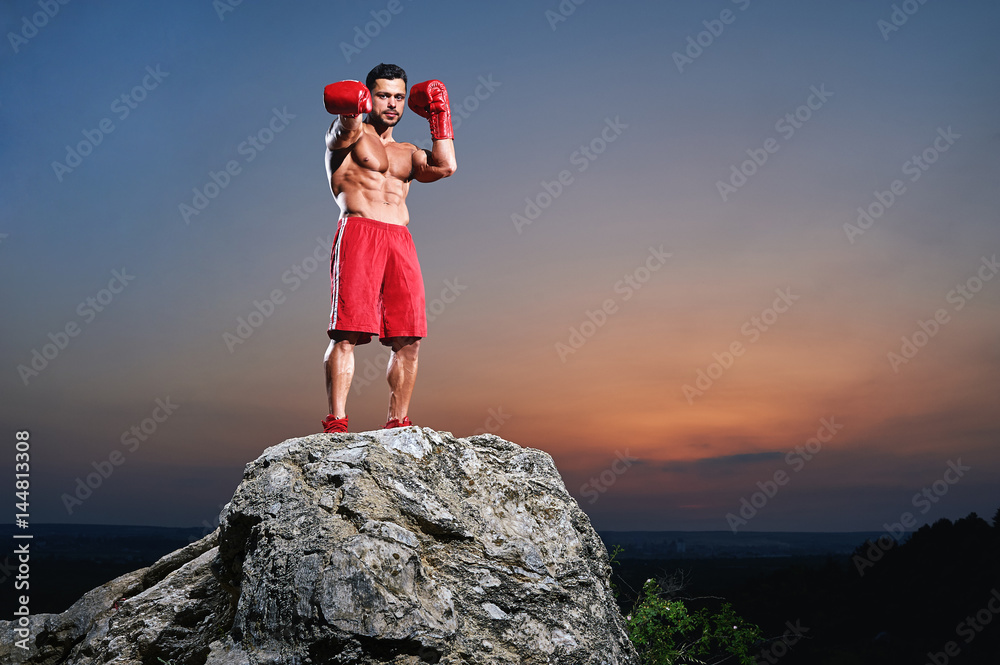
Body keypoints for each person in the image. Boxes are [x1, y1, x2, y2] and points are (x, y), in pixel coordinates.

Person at [320, 63, 456, 433]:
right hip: (359, 231)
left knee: (408, 338)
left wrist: (439, 118)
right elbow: (341, 130)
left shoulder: (408, 151)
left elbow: (445, 167)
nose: (392, 103)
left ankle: (398, 423)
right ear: (369, 95)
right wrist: (351, 109)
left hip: (399, 238)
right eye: (383, 95)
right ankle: (337, 421)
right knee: (345, 332)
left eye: (399, 96)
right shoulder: (348, 134)